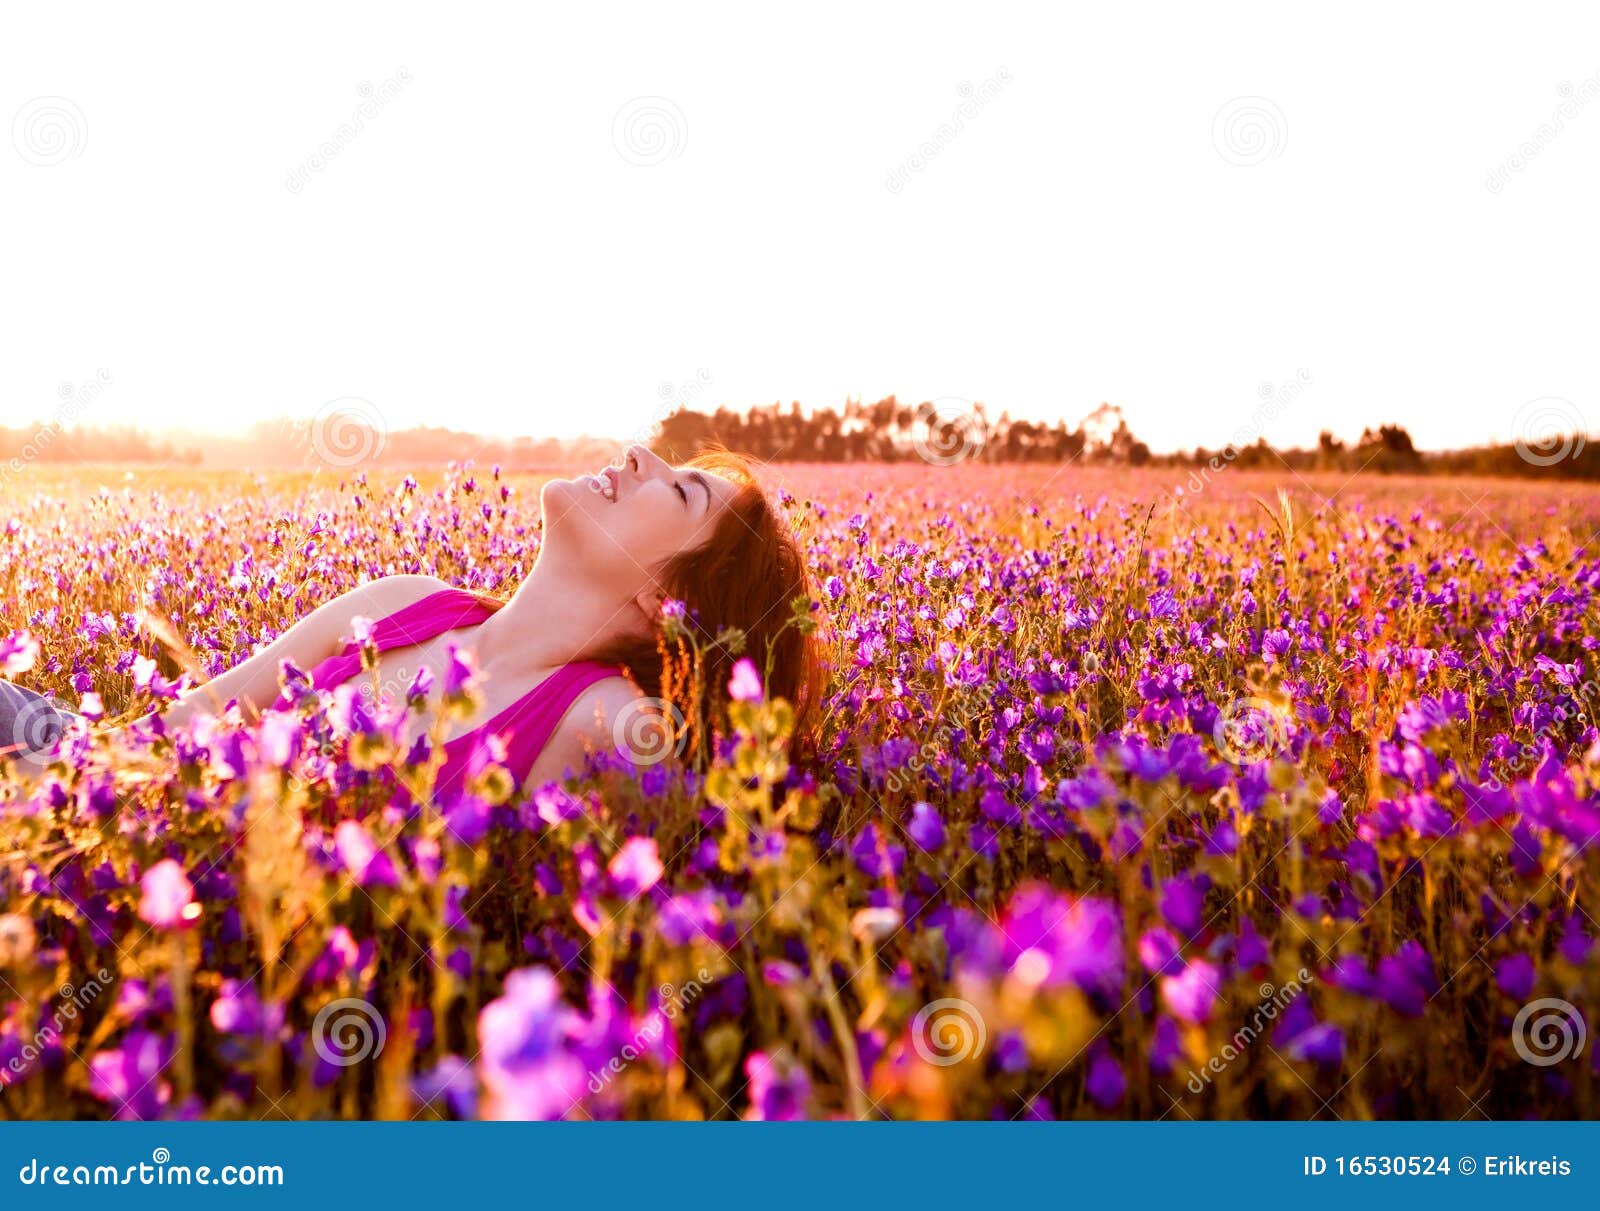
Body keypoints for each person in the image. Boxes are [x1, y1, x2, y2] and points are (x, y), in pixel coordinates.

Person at [1, 446, 821, 795]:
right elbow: (184, 722)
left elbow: (702, 858)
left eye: (680, 492)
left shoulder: (605, 719)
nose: (643, 455)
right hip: (100, 782)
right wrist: (46, 780)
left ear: (666, 605)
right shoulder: (403, 602)